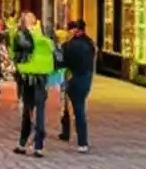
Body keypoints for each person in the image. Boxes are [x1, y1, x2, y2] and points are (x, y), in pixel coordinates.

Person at [12, 12, 54, 157]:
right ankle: (37, 146)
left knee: (28, 111)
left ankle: (24, 144)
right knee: (39, 112)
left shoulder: (22, 35)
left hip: (29, 77)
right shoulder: (44, 35)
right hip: (42, 77)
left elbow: (20, 51)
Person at [57, 20, 96, 152]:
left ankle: (78, 139)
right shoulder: (90, 43)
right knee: (80, 108)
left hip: (73, 78)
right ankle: (81, 140)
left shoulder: (70, 45)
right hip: (86, 79)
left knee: (74, 108)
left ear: (75, 30)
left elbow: (63, 61)